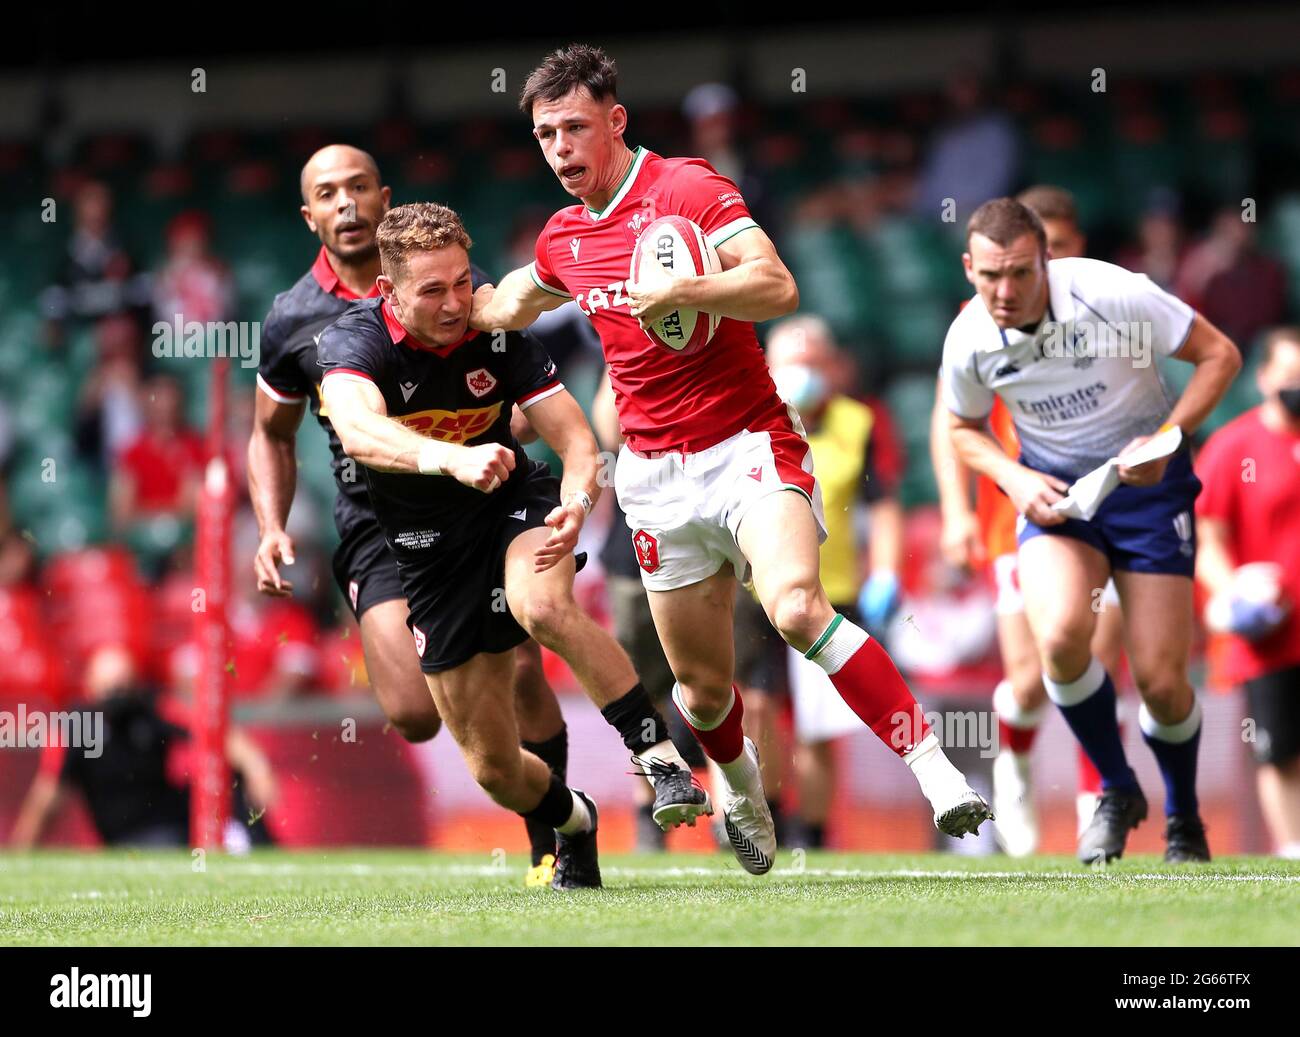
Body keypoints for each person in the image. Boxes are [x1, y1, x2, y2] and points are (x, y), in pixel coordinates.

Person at [473, 44, 991, 875]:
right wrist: (429, 306)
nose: (562, 148)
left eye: (575, 127)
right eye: (544, 135)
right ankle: (742, 786)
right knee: (705, 692)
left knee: (793, 606)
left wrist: (687, 291)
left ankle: (935, 769)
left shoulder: (689, 188)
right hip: (650, 477)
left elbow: (777, 286)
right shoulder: (566, 237)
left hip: (747, 444)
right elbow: (506, 303)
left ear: (616, 120)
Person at [318, 202, 710, 890]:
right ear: (388, 292)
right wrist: (450, 459)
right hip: (425, 551)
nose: (454, 303)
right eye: (432, 291)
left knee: (541, 606)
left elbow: (578, 440)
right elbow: (356, 430)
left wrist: (578, 502)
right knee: (495, 768)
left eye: (462, 282)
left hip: (511, 505)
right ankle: (575, 819)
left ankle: (659, 756)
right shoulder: (354, 342)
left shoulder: (498, 333)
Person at [249, 145, 572, 885]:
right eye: (328, 193)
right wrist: (272, 524)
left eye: (360, 186)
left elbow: (521, 384)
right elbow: (269, 434)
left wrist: (524, 428)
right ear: (309, 215)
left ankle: (554, 842)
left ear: (384, 195)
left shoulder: (456, 283)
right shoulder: (293, 319)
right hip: (380, 519)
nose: (347, 203)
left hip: (481, 499)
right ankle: (553, 804)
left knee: (520, 667)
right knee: (416, 712)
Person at [942, 197, 1241, 863]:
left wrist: (1170, 435)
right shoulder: (969, 338)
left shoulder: (1115, 293)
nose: (1005, 291)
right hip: (1056, 499)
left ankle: (1185, 820)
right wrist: (1013, 480)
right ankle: (1115, 786)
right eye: (990, 275)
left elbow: (1220, 355)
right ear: (969, 268)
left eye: (1020, 272)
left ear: (1048, 257)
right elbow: (960, 427)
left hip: (1148, 489)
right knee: (1059, 639)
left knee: (1162, 683)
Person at [930, 184, 1128, 855]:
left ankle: (1094, 815)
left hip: (1105, 505)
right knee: (1033, 675)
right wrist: (957, 511)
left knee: (1097, 659)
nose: (1019, 280)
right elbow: (950, 422)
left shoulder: (1108, 306)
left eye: (1060, 251)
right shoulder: (979, 319)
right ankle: (1012, 758)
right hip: (1014, 515)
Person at [767, 314, 905, 849]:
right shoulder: (754, 421)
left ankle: (814, 837)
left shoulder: (860, 423)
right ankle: (766, 817)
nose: (803, 373)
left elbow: (884, 503)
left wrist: (888, 573)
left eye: (813, 363)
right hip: (760, 590)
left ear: (833, 367)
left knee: (818, 728)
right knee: (755, 707)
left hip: (833, 592)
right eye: (792, 364)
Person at [1195, 327, 1300, 858]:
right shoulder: (1234, 446)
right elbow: (1207, 536)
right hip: (1270, 634)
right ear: (1262, 379)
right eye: (1289, 377)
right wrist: (1235, 589)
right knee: (1279, 750)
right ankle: (1292, 848)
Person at [9, 644, 277, 850]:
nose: (117, 695)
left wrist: (256, 765)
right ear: (90, 686)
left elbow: (213, 732)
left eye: (123, 685)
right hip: (130, 838)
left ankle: (254, 846)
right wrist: (21, 851)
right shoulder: (76, 727)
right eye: (110, 687)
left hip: (174, 823)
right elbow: (47, 796)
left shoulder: (151, 709)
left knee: (233, 780)